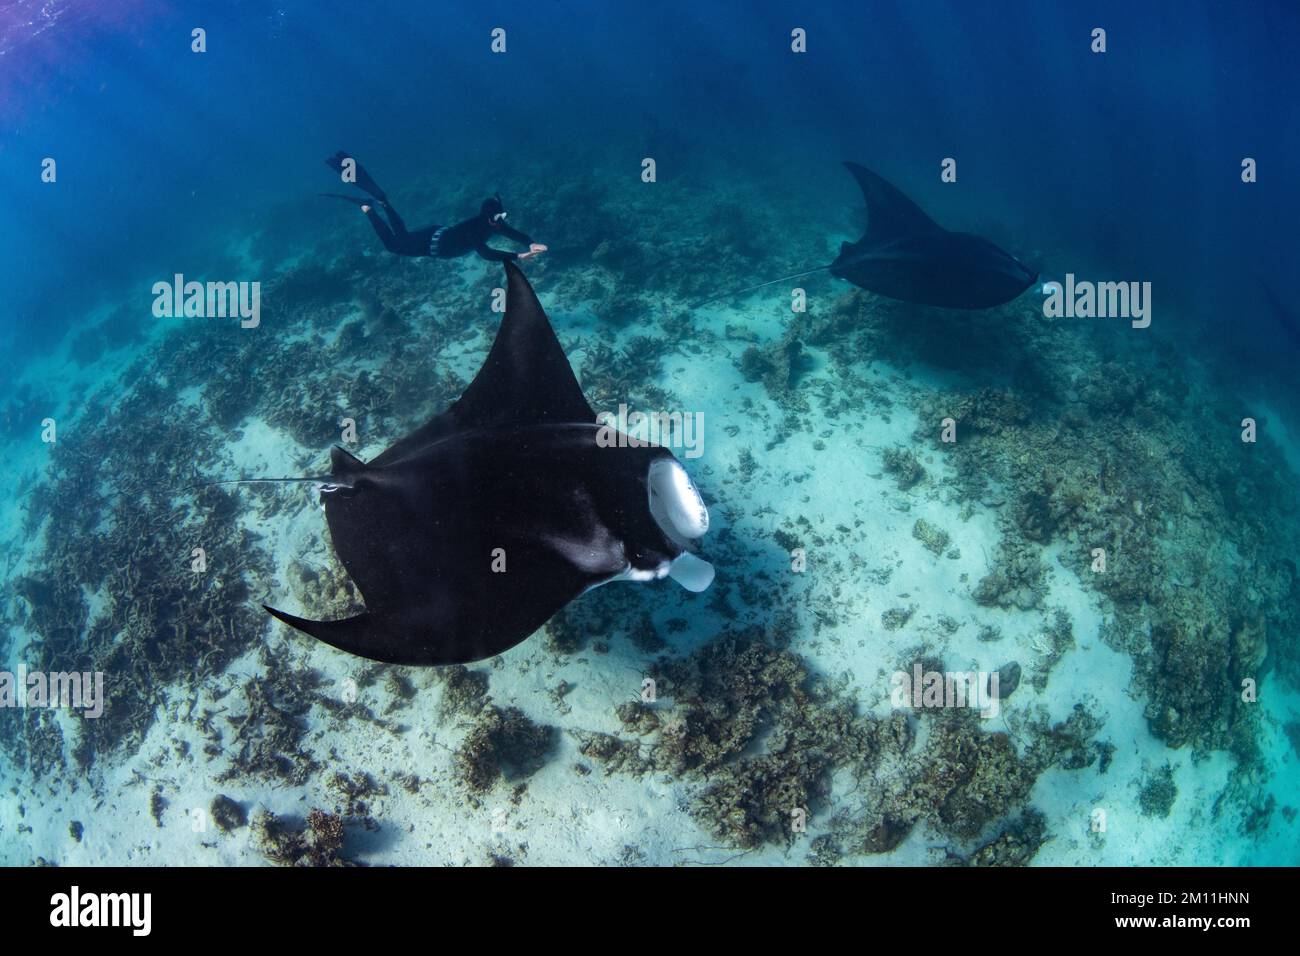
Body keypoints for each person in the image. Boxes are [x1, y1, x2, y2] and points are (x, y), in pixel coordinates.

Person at [323, 150, 546, 262]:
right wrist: (517, 257)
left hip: (436, 233)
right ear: (488, 218)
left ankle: (382, 202)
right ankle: (370, 209)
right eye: (498, 218)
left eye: (502, 216)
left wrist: (530, 243)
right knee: (395, 245)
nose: (501, 222)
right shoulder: (476, 230)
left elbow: (512, 233)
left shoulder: (494, 223)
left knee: (402, 234)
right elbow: (485, 253)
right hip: (431, 243)